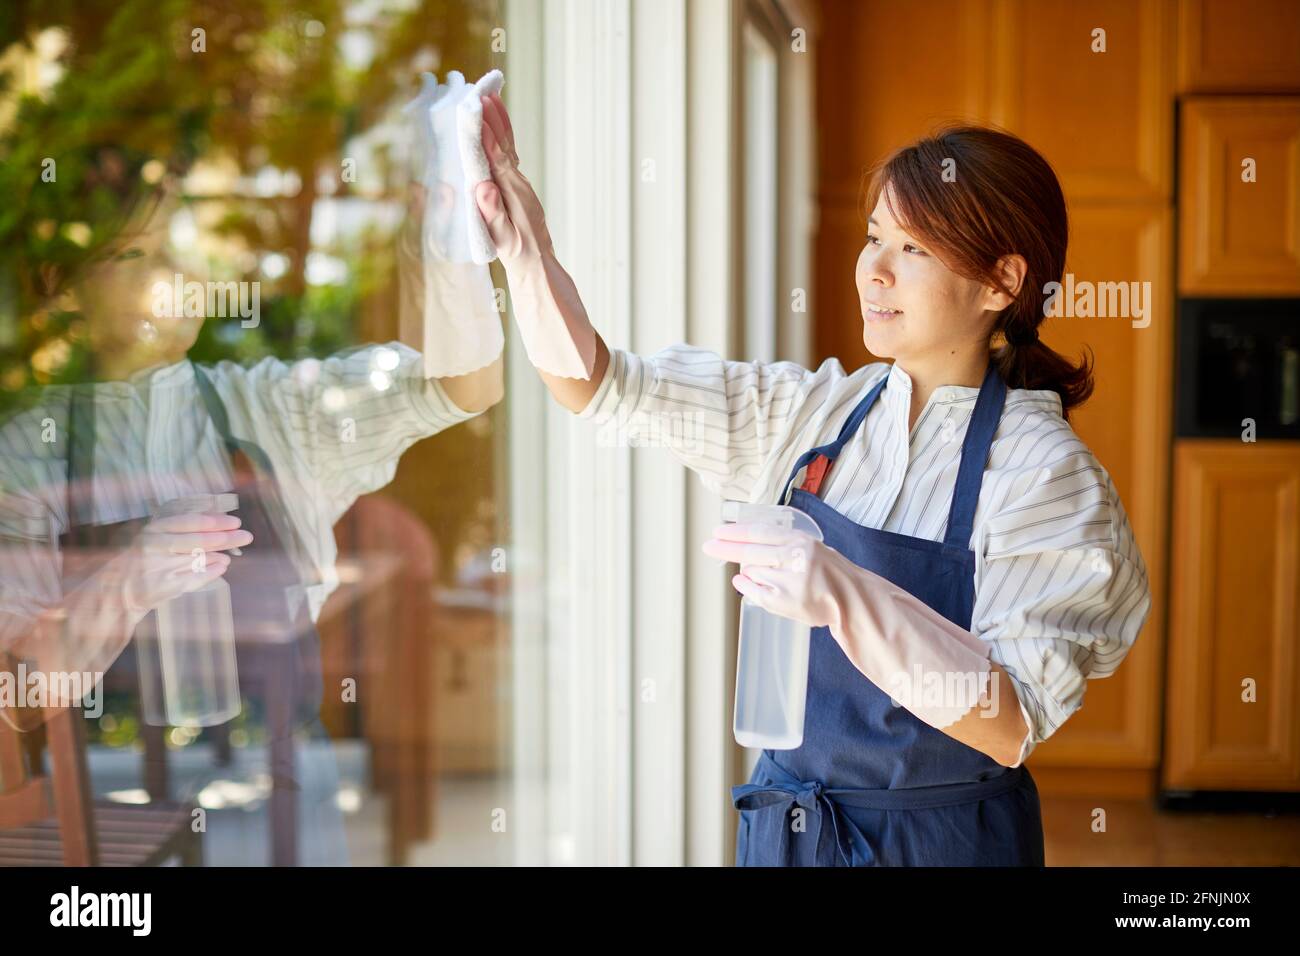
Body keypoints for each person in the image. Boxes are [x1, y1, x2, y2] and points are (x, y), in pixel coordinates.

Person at [472, 92, 1151, 866]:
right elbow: (599, 385)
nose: (876, 271)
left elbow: (1010, 718)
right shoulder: (816, 413)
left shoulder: (1044, 474)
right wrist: (525, 250)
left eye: (915, 250)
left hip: (938, 843)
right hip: (793, 833)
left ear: (1001, 282)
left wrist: (844, 593)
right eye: (874, 239)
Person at [0, 173, 504, 865]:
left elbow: (464, 385)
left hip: (284, 804)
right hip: (105, 823)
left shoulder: (272, 410)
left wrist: (444, 240)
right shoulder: (31, 449)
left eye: (176, 247)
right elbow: (21, 693)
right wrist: (129, 579)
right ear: (64, 286)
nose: (177, 275)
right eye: (134, 255)